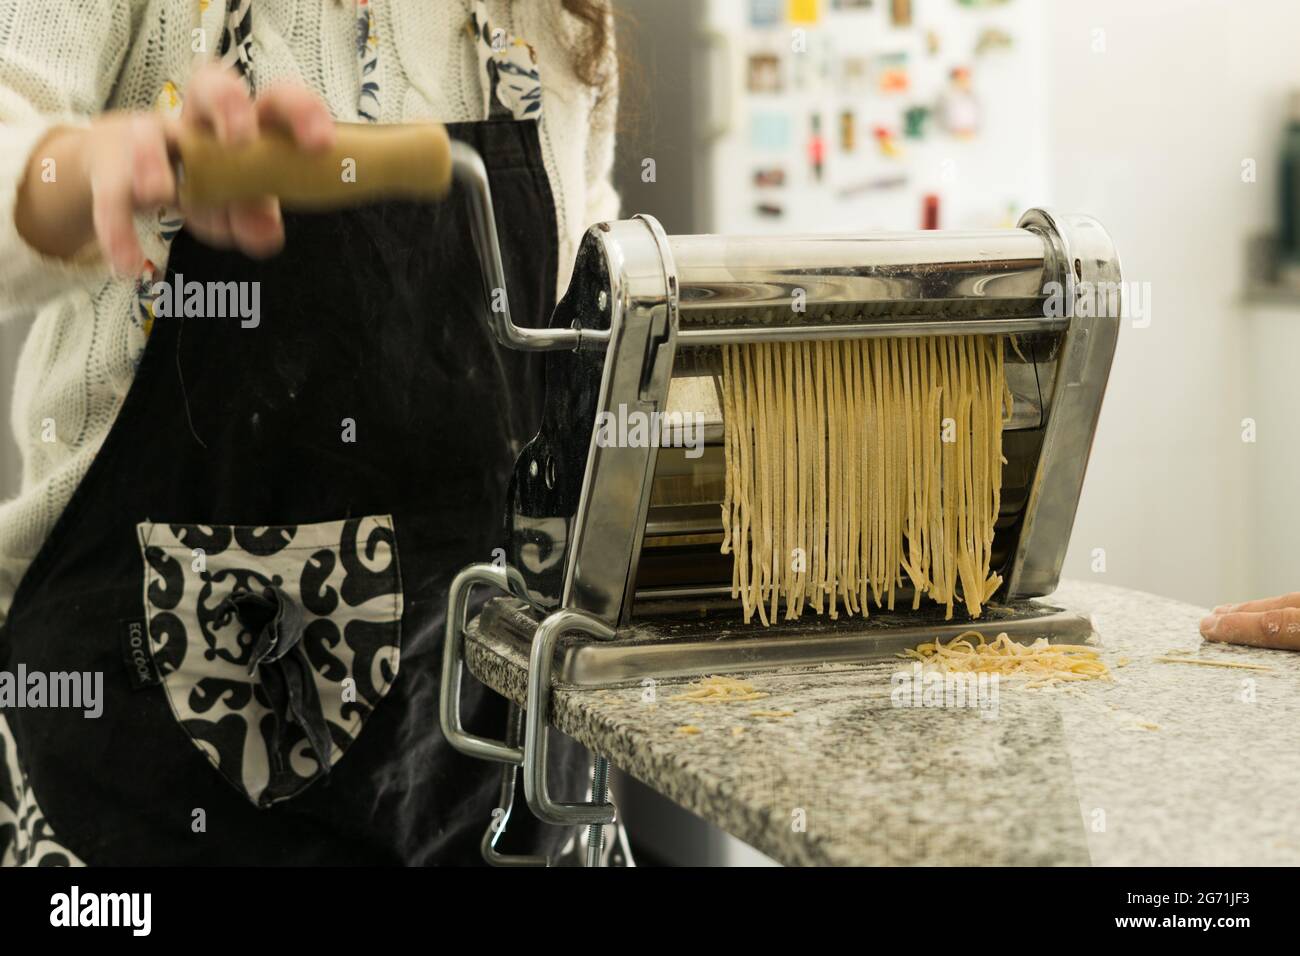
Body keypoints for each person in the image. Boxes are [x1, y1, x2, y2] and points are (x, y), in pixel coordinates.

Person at [0, 0, 618, 865]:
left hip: (475, 759)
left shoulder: (551, 17)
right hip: (142, 767)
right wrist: (86, 164)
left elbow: (583, 287)